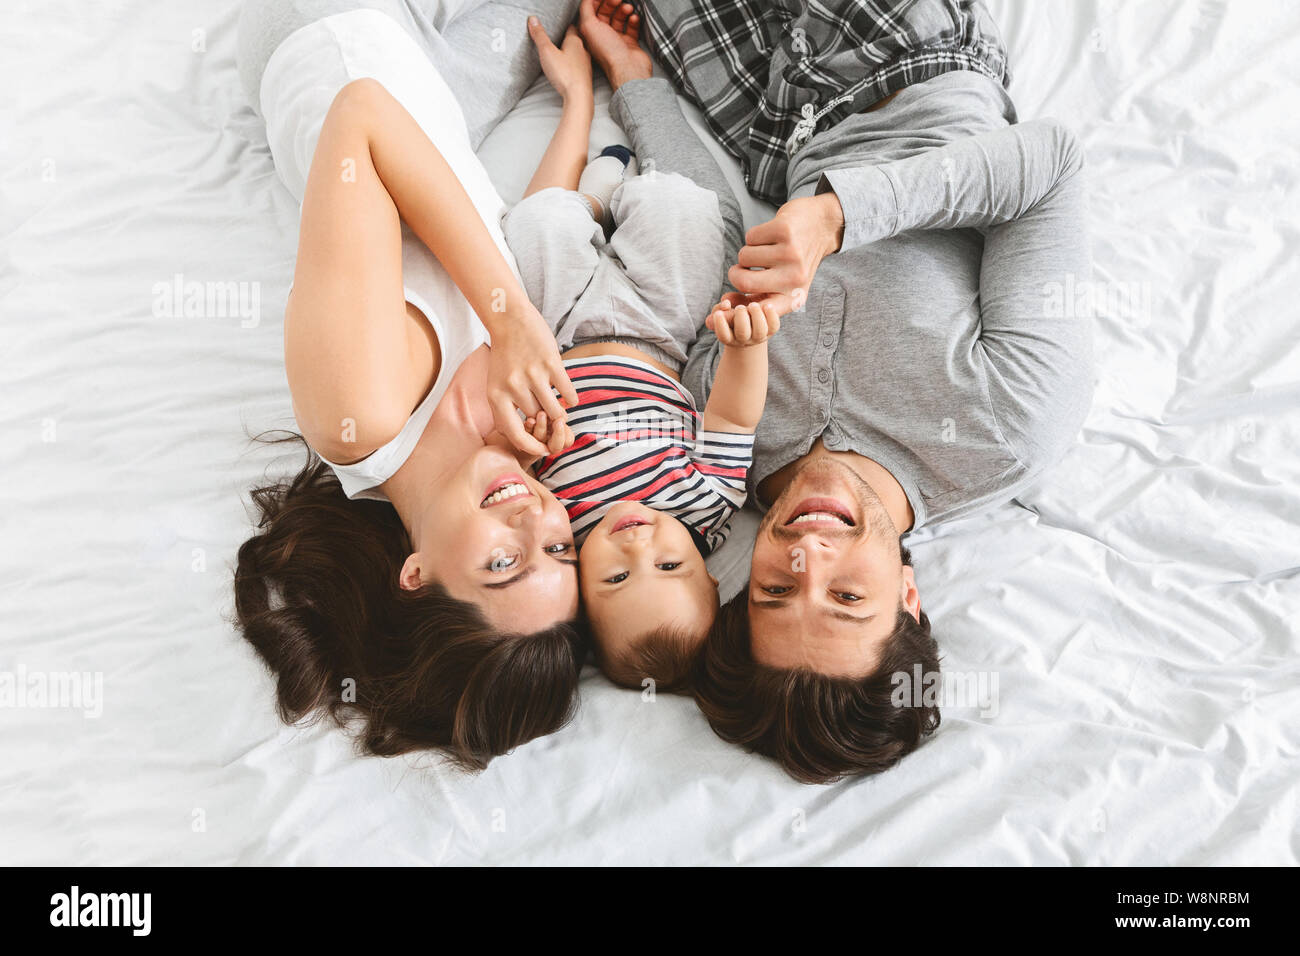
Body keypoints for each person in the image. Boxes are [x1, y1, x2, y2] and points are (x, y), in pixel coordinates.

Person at [624, 0, 1095, 782]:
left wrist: (636, 87)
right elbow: (1050, 164)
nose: (808, 554)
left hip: (773, 135)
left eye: (776, 590)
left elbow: (710, 227)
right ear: (908, 596)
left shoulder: (726, 443)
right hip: (912, 63)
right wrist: (841, 217)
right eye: (846, 596)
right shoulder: (1010, 427)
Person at [232, 1, 593, 771]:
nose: (534, 523)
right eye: (560, 548)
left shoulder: (357, 415)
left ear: (416, 576)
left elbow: (359, 117)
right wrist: (581, 109)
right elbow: (519, 233)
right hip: (438, 86)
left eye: (503, 563)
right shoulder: (511, 435)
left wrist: (511, 320)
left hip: (332, 29)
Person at [501, 2, 775, 692]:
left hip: (561, 334)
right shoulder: (707, 510)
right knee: (685, 212)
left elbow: (512, 455)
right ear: (708, 567)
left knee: (533, 229)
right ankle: (620, 194)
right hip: (660, 333)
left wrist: (529, 440)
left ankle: (589, 205)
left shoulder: (560, 524)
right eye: (671, 565)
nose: (639, 543)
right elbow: (733, 419)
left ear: (584, 597)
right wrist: (746, 349)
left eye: (618, 577)